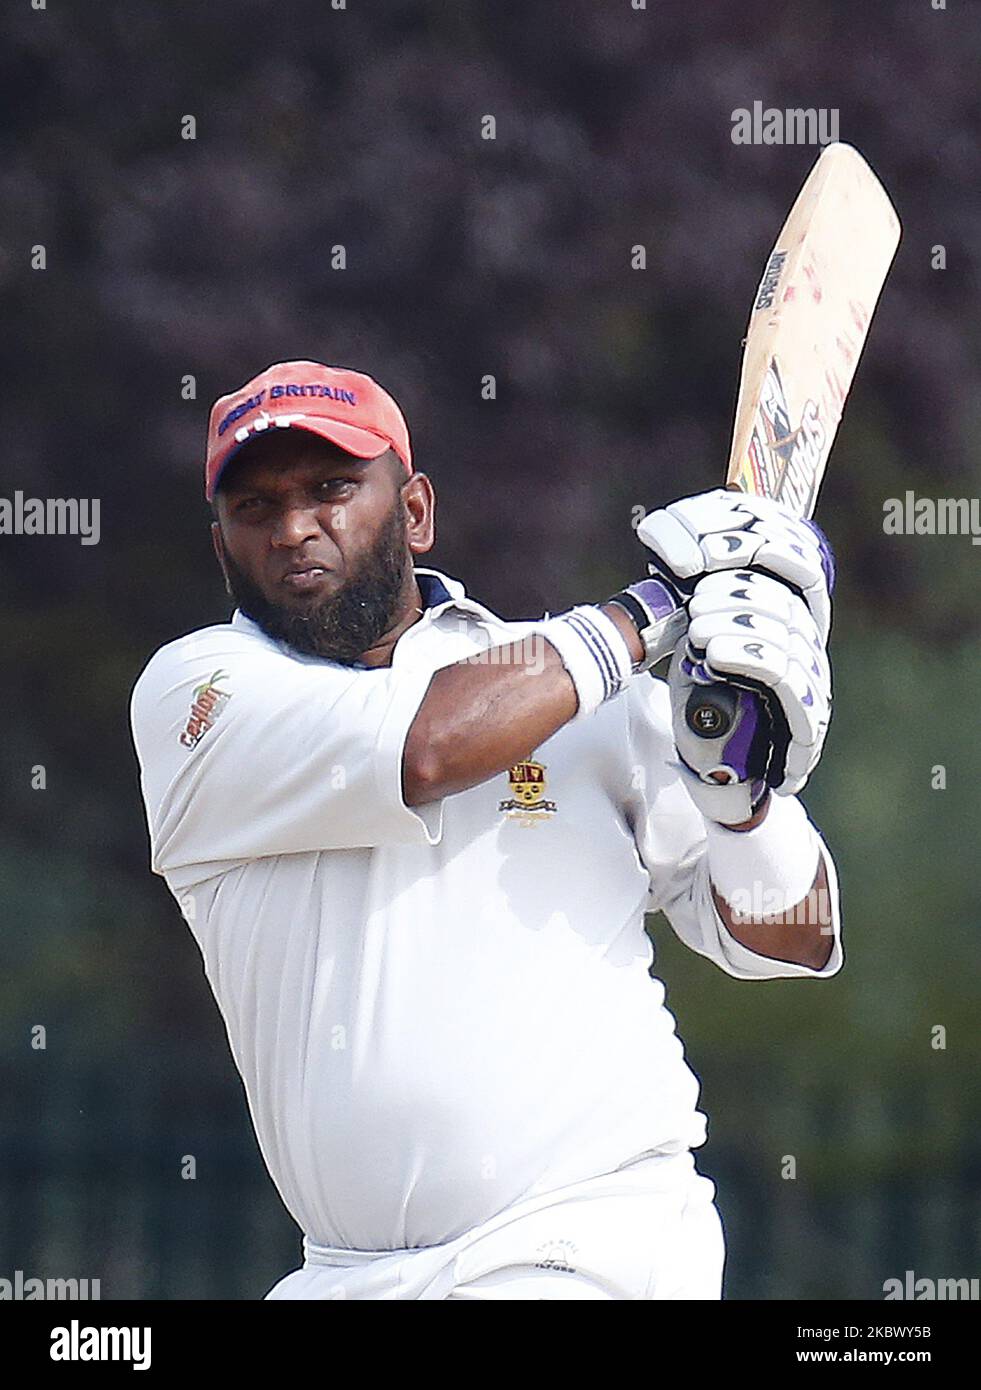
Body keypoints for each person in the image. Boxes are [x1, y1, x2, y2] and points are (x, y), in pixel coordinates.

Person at [130, 359, 840, 1300]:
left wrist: (740, 797)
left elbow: (790, 938)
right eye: (255, 507)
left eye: (332, 489)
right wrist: (665, 605)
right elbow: (427, 748)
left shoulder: (579, 688)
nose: (294, 528)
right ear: (221, 545)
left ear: (415, 511)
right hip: (346, 1275)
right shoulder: (199, 697)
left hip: (590, 1242)